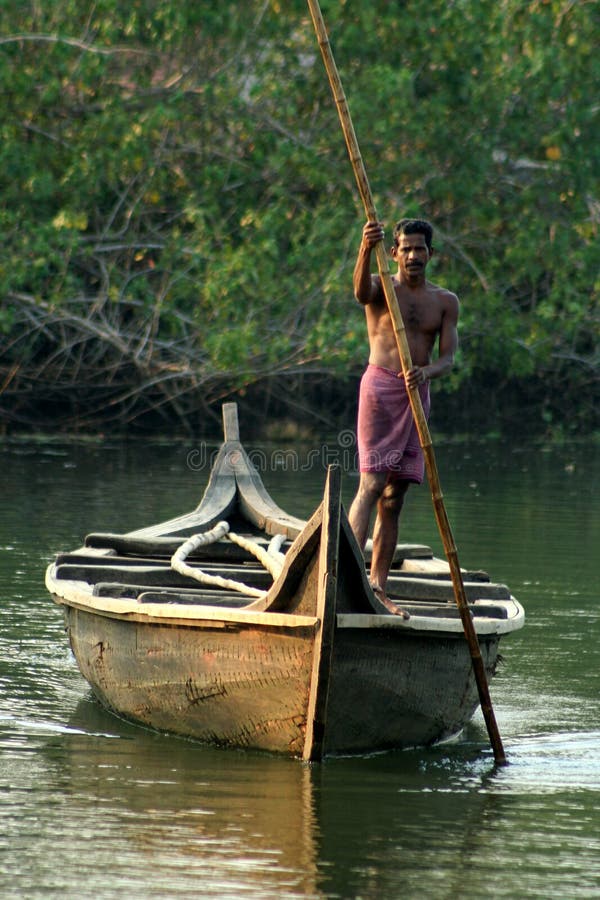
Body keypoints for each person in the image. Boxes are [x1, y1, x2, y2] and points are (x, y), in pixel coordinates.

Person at [348, 218, 459, 606]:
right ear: (393, 253)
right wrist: (365, 248)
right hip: (380, 390)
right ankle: (344, 572)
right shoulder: (383, 288)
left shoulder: (445, 301)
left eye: (420, 249)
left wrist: (424, 373)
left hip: (417, 395)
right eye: (405, 249)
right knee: (372, 485)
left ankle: (377, 583)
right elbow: (360, 293)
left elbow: (447, 359)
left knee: (394, 497)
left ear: (431, 254)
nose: (413, 255)